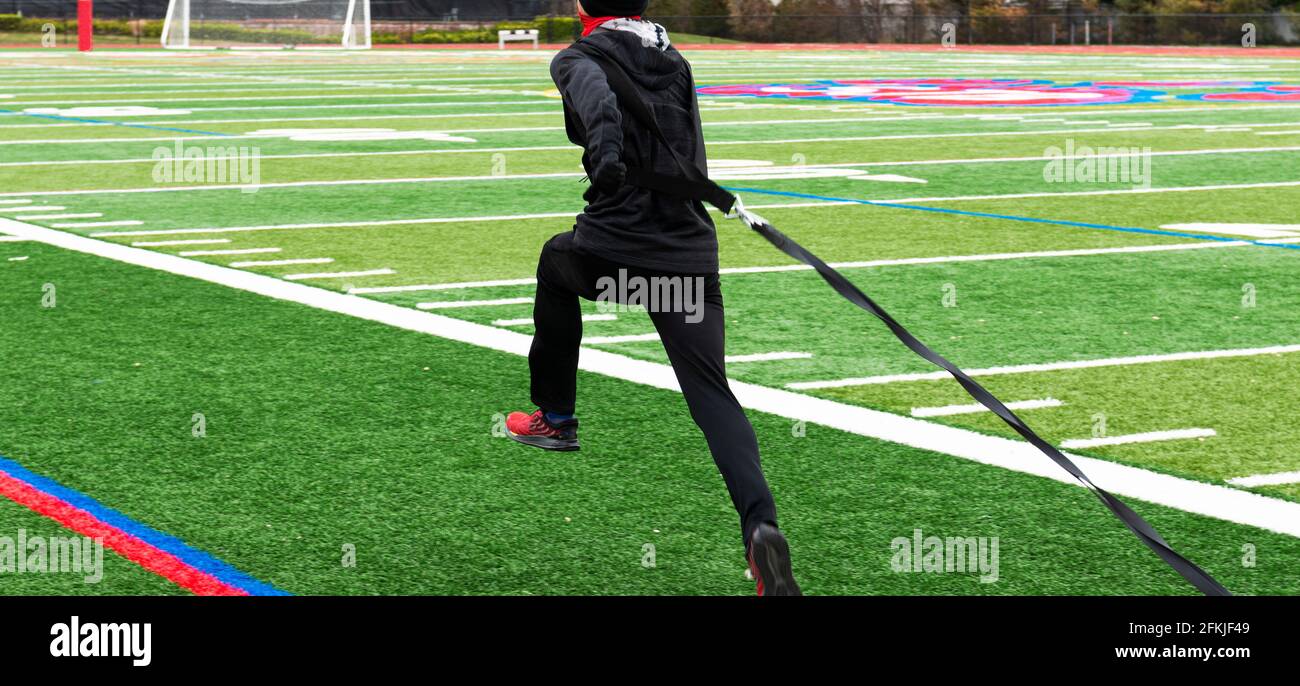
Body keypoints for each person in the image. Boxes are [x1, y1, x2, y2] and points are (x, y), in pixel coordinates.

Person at [502, 0, 801, 596]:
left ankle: (556, 420)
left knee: (555, 265)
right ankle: (761, 527)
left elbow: (596, 103)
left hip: (618, 251)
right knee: (712, 394)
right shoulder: (674, 56)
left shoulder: (577, 56)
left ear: (586, 6)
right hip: (686, 258)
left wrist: (606, 156)